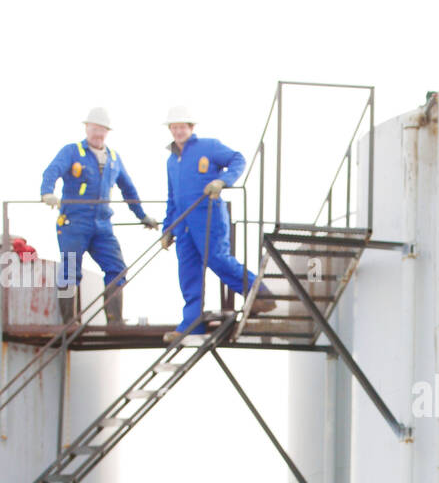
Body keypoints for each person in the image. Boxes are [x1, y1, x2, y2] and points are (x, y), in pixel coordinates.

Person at [158, 105, 276, 344]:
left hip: (208, 217)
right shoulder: (171, 161)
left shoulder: (208, 147)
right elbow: (172, 198)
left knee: (218, 259)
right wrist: (167, 229)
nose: (178, 131)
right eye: (174, 127)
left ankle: (260, 294)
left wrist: (222, 181)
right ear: (170, 129)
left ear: (191, 128)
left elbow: (237, 159)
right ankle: (191, 325)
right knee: (188, 273)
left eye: (182, 126)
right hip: (184, 226)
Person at [40, 107, 159, 326]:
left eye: (102, 130)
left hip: (102, 226)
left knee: (117, 268)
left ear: (107, 132)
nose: (98, 134)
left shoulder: (114, 158)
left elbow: (128, 189)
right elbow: (52, 170)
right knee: (70, 271)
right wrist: (47, 192)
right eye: (94, 129)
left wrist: (142, 216)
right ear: (86, 128)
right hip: (74, 223)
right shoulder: (72, 151)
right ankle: (69, 322)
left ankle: (114, 320)